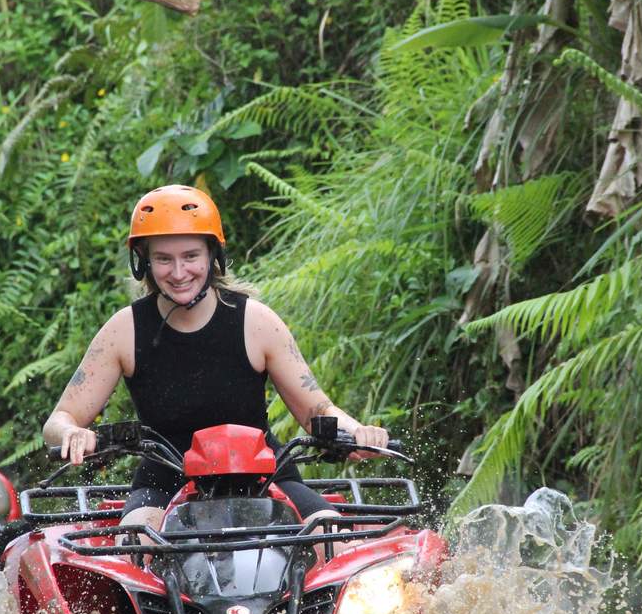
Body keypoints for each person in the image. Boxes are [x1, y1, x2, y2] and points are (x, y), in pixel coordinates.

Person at [42, 184, 388, 533]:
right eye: (164, 259)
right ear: (144, 262)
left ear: (212, 256)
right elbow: (58, 419)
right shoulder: (124, 331)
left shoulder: (256, 322)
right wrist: (72, 433)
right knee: (137, 545)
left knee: (333, 538)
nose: (178, 273)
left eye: (190, 256)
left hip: (266, 478)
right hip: (162, 484)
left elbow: (318, 413)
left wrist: (357, 432)